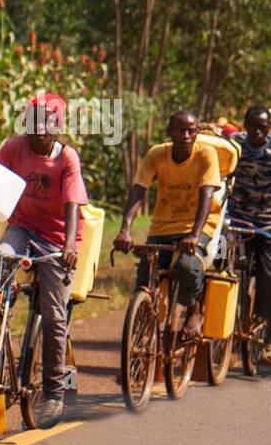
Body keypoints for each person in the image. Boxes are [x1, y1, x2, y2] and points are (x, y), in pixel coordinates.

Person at [0, 93, 87, 427]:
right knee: (1, 258)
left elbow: (73, 206)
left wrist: (70, 245)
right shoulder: (14, 148)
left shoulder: (67, 158)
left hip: (58, 238)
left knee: (55, 315)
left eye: (46, 122)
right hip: (22, 228)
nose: (38, 129)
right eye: (32, 122)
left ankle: (56, 392)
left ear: (58, 126)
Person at [113, 110, 221, 339]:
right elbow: (138, 191)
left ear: (197, 132)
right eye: (180, 130)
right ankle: (141, 339)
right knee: (145, 275)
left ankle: (193, 310)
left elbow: (207, 196)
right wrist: (125, 230)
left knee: (187, 266)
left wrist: (194, 234)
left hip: (199, 227)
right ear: (169, 132)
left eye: (191, 130)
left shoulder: (206, 155)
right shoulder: (157, 154)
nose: (186, 135)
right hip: (162, 228)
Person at [228, 105, 271, 346]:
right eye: (253, 126)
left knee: (267, 274)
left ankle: (264, 321)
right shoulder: (235, 144)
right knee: (223, 265)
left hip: (267, 223)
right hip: (236, 220)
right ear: (245, 125)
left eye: (263, 128)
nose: (257, 132)